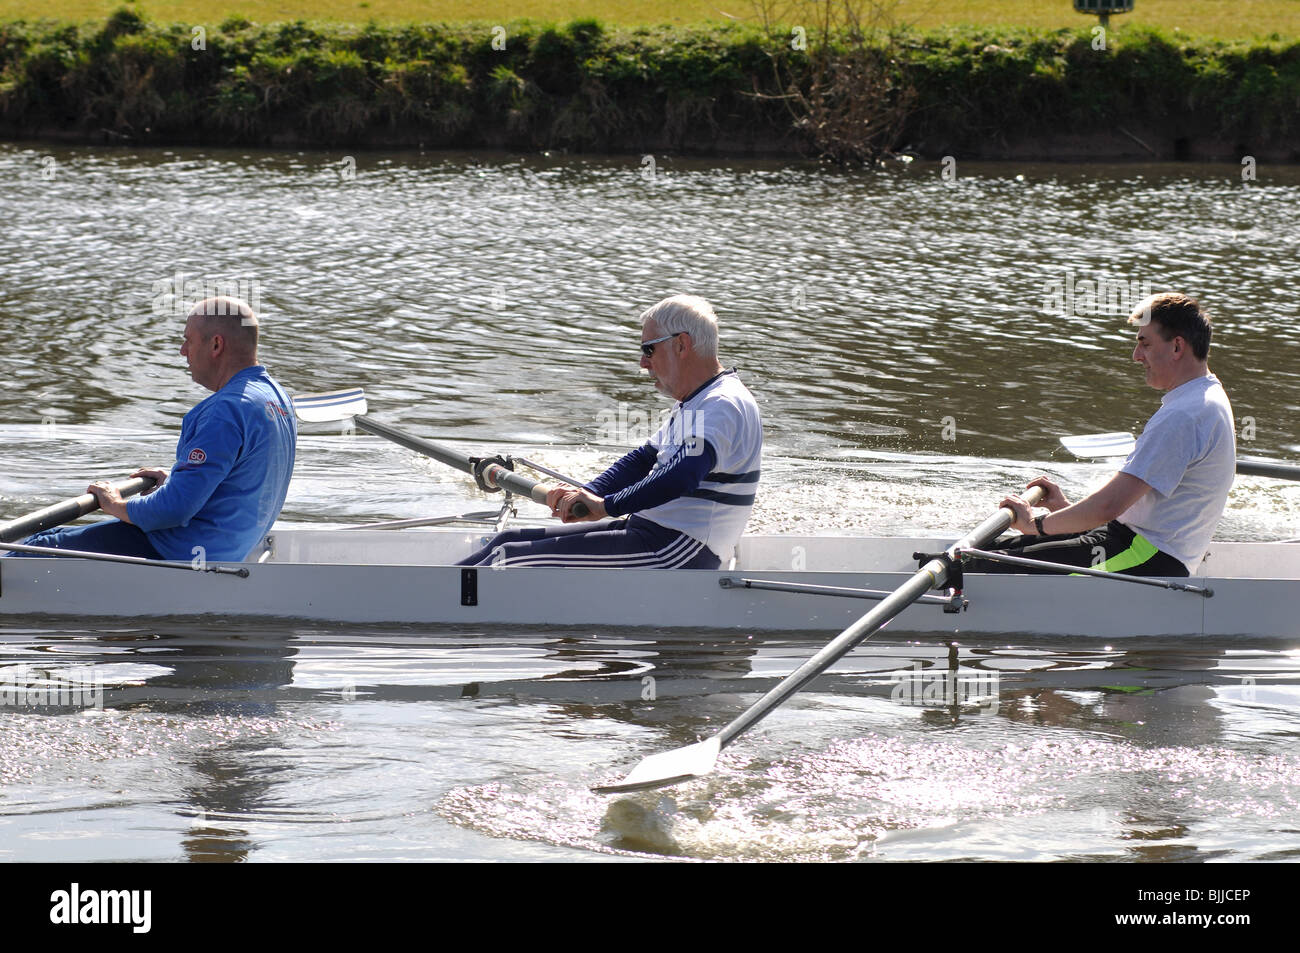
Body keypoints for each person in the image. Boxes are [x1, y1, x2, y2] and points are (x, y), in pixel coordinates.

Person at [458, 295, 762, 570]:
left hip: (681, 549)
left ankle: (430, 606)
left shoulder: (722, 404)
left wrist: (605, 507)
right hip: (653, 533)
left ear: (681, 344)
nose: (643, 363)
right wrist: (587, 494)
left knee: (508, 559)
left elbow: (681, 475)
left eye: (649, 349)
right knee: (504, 542)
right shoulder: (697, 401)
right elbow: (641, 461)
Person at [965, 292, 1234, 578]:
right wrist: (1063, 511)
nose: (1136, 356)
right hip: (1130, 542)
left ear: (1177, 346)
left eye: (1144, 343)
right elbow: (1124, 507)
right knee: (987, 550)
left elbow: (1109, 506)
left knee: (978, 567)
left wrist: (1036, 525)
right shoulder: (1205, 397)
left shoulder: (1184, 415)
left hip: (1149, 558)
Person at [9, 297, 296, 563]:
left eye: (188, 341)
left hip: (182, 552)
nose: (183, 351)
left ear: (216, 345)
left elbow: (173, 510)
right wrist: (181, 477)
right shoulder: (276, 397)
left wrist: (116, 504)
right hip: (228, 549)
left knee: (38, 546)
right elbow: (244, 474)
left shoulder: (225, 410)